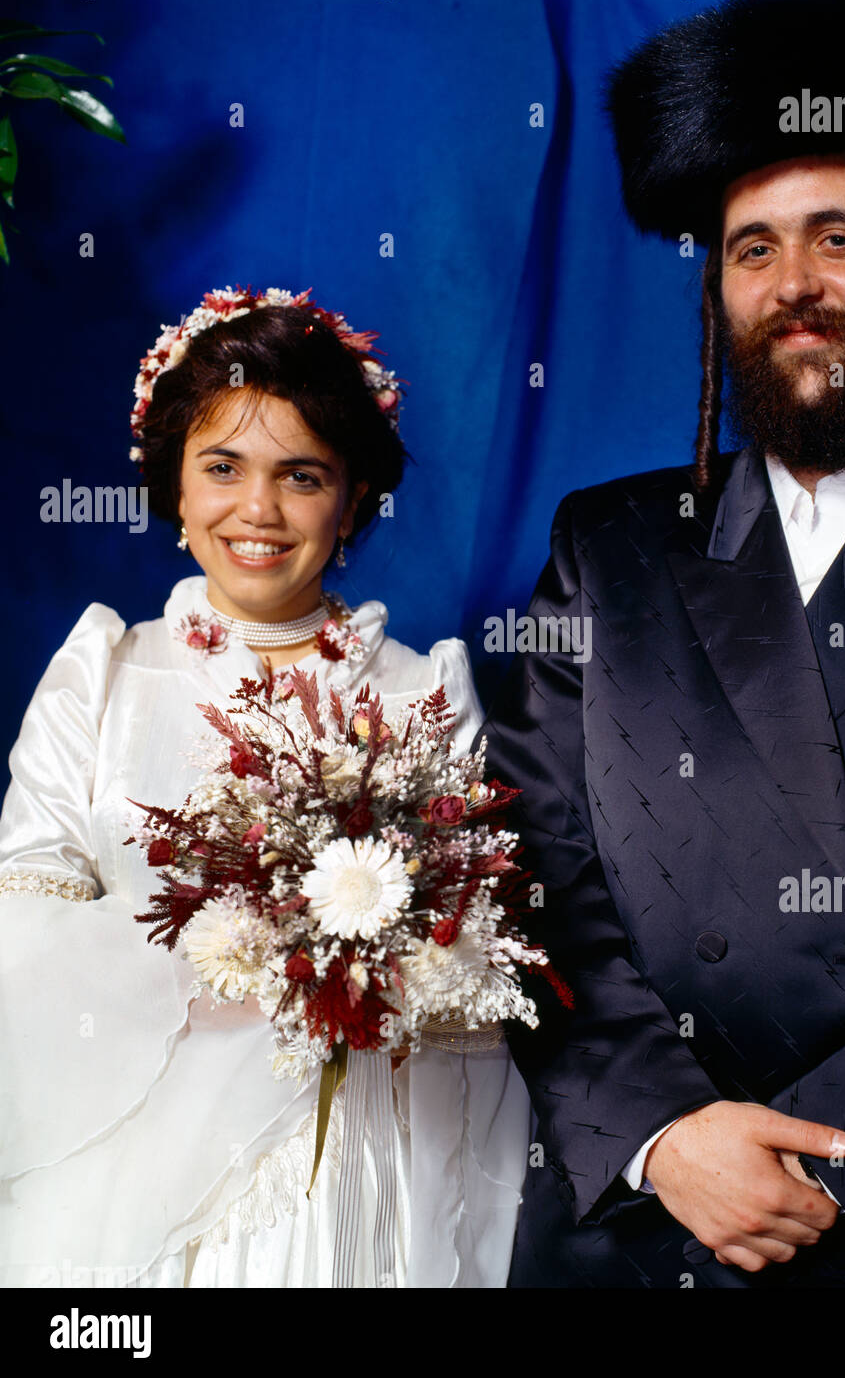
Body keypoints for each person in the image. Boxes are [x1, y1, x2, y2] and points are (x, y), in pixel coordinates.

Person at [478, 0, 845, 1288]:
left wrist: (813, 1173)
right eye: (753, 249)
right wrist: (665, 1132)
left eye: (837, 236)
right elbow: (526, 872)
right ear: (718, 292)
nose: (793, 283)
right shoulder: (606, 545)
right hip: (633, 1220)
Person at [0, 286, 530, 1288]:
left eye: (300, 475)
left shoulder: (420, 690)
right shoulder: (106, 678)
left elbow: (472, 976)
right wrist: (228, 951)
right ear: (173, 482)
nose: (257, 510)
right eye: (222, 468)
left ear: (352, 495)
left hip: (353, 1171)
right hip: (125, 1182)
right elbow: (19, 939)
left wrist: (379, 958)